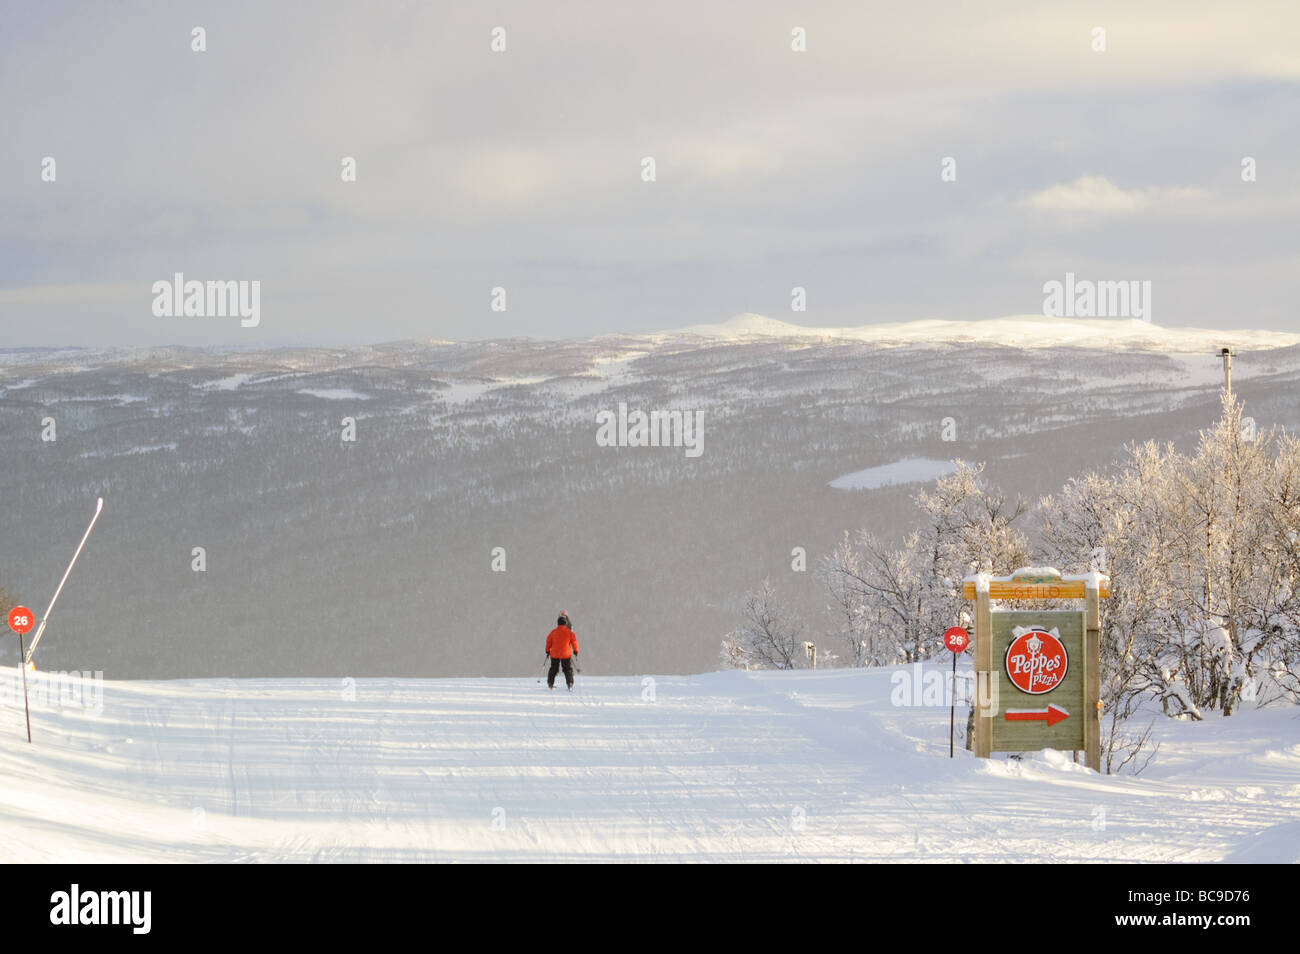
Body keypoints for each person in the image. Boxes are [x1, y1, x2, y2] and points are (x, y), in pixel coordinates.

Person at [545, 612, 579, 691]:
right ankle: (570, 683)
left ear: (558, 623)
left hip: (555, 654)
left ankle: (550, 683)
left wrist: (547, 650)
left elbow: (548, 641)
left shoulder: (553, 632)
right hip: (565, 654)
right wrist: (575, 651)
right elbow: (574, 642)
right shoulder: (570, 633)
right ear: (565, 623)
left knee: (553, 669)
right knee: (567, 669)